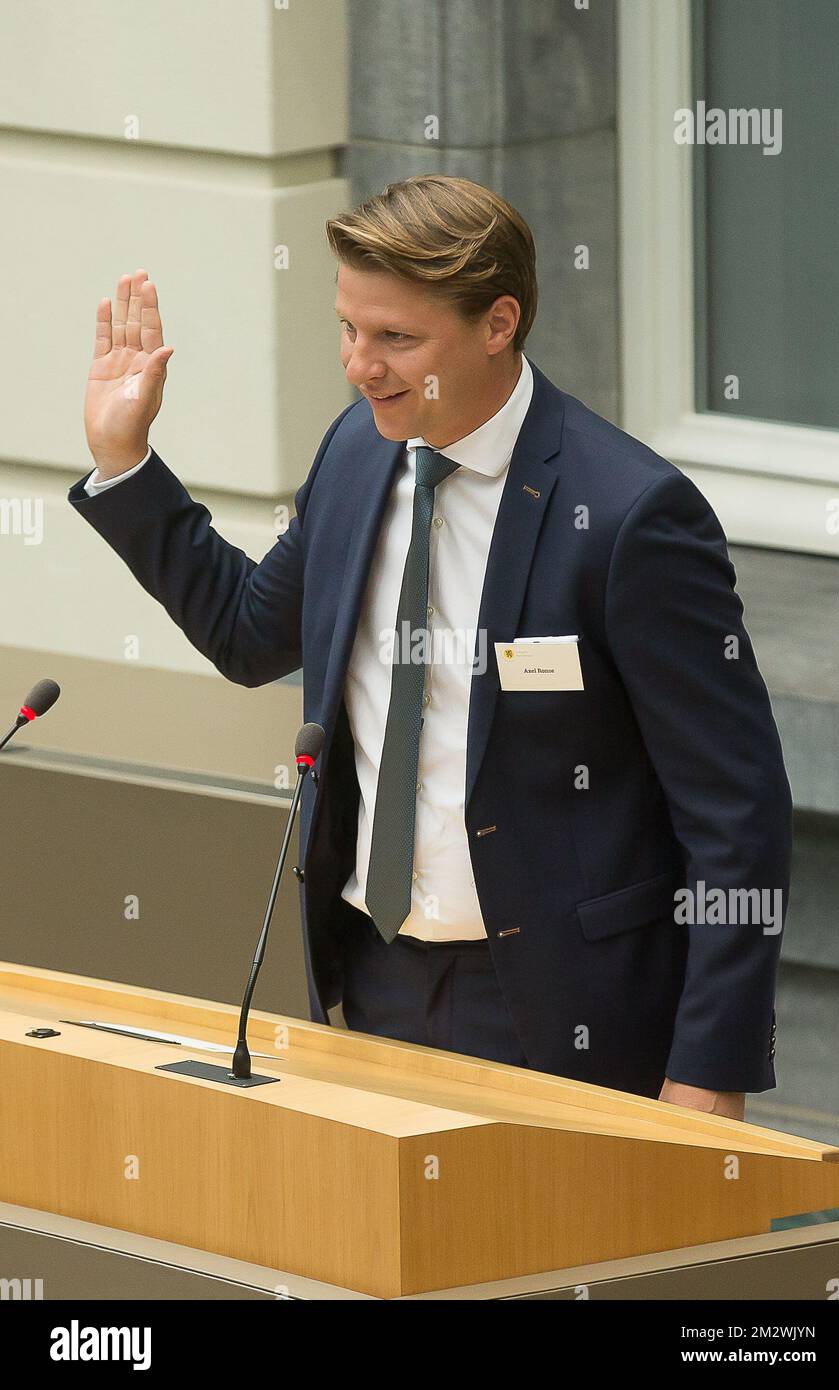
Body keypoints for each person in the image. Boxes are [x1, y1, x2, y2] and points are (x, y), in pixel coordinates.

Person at [70, 174, 791, 1119]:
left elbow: (736, 809)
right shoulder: (358, 453)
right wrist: (127, 465)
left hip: (567, 1009)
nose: (359, 366)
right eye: (348, 329)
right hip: (372, 978)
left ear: (499, 323)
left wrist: (710, 1069)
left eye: (396, 339)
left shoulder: (628, 516)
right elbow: (250, 635)